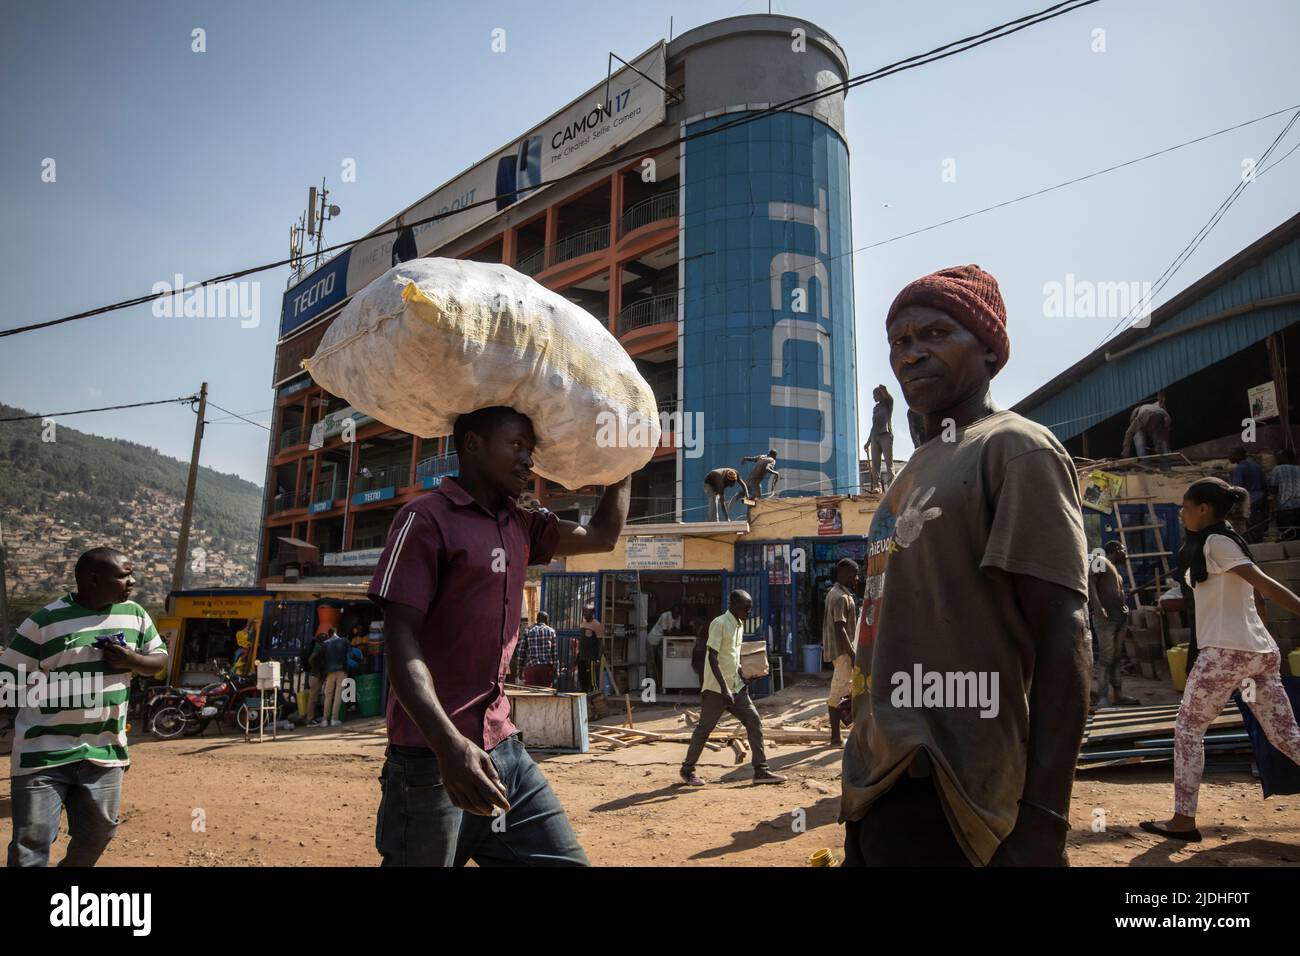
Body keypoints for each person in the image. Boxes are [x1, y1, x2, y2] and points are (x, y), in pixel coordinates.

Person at [842, 264, 1090, 867]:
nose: (912, 354)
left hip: (957, 791)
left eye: (935, 335)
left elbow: (1067, 632)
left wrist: (1044, 824)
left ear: (988, 349)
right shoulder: (915, 466)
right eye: (900, 341)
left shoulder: (1015, 448)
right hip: (878, 780)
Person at [367, 405, 630, 866]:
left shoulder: (521, 525)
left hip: (503, 749)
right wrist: (449, 746)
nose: (528, 460)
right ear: (472, 445)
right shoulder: (425, 519)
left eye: (530, 449)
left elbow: (603, 535)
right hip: (432, 760)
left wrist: (626, 460)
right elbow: (401, 639)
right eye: (515, 446)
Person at [1140, 478, 1300, 841]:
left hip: (1226, 653)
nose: (1180, 512)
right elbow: (1251, 599)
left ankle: (1183, 820)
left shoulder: (1215, 542)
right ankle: (1182, 818)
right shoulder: (1223, 542)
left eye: (1184, 505)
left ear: (1203, 509)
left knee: (1188, 730)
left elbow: (1264, 585)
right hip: (1259, 652)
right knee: (1286, 736)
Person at [2, 547, 169, 867]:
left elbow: (159, 662)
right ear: (93, 578)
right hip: (44, 752)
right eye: (124, 575)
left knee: (99, 832)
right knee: (31, 844)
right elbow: (6, 680)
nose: (132, 581)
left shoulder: (135, 614)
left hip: (104, 752)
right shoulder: (44, 622)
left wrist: (132, 659)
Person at [679, 590, 786, 786]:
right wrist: (724, 689)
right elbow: (712, 657)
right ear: (734, 605)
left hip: (735, 688)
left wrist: (744, 675)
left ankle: (761, 771)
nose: (749, 611)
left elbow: (732, 656)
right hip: (716, 690)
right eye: (746, 608)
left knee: (754, 721)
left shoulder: (739, 624)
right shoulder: (719, 623)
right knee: (704, 729)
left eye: (750, 608)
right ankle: (687, 770)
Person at [1089, 541, 1138, 708]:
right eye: (1124, 550)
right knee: (1106, 658)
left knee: (1116, 658)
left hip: (1119, 617)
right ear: (1117, 549)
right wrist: (1097, 606)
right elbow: (1091, 583)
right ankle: (1103, 697)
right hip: (1106, 619)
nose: (1126, 554)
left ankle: (1119, 694)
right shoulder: (1100, 560)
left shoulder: (1115, 570)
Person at [823, 559, 858, 747]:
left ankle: (851, 730)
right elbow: (840, 628)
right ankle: (835, 738)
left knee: (852, 690)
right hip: (844, 652)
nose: (857, 577)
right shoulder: (840, 597)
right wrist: (852, 655)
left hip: (842, 651)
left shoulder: (835, 593)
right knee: (837, 694)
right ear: (844, 573)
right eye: (855, 573)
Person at [313, 627, 351, 727]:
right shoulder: (344, 641)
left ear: (329, 634)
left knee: (328, 696)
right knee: (338, 696)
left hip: (329, 672)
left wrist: (323, 670)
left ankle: (325, 720)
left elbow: (318, 658)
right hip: (342, 671)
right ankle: (334, 719)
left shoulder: (325, 644)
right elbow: (350, 654)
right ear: (336, 633)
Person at [1229, 447, 1268, 543]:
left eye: (1231, 454)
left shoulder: (1239, 469)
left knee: (1251, 530)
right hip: (1261, 500)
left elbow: (1236, 489)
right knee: (1259, 528)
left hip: (1249, 502)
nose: (1229, 457)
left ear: (1238, 456)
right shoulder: (1256, 466)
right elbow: (1265, 484)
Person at [1120, 395, 1172, 460]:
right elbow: (1129, 432)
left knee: (1160, 443)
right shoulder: (1143, 416)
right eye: (1151, 426)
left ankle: (1165, 465)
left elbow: (1165, 436)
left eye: (1155, 426)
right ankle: (1146, 464)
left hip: (1152, 416)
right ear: (1148, 420)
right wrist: (1126, 448)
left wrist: (1161, 446)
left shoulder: (1167, 420)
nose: (1152, 428)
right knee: (1140, 444)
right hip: (1137, 414)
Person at [865, 386, 896, 493]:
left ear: (879, 394)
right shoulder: (875, 408)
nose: (873, 397)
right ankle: (877, 487)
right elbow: (873, 426)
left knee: (889, 462)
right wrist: (868, 442)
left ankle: (892, 484)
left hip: (885, 435)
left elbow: (889, 398)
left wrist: (884, 390)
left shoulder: (888, 404)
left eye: (874, 395)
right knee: (875, 464)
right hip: (875, 437)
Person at [647, 603, 681, 693]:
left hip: (662, 642)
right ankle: (652, 687)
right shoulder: (665, 616)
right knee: (651, 664)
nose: (676, 615)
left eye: (678, 613)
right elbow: (666, 633)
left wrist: (674, 633)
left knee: (663, 663)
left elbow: (677, 631)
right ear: (671, 611)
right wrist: (673, 632)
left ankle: (662, 686)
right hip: (652, 640)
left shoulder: (678, 617)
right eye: (675, 613)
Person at [1269, 446, 1300, 537]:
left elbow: (1273, 488)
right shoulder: (1299, 468)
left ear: (1283, 458)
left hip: (1286, 508)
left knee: (1286, 535)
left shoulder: (1278, 469)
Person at [522, 612, 558, 688]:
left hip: (531, 667)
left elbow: (521, 652)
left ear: (537, 620)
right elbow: (554, 653)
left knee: (530, 694)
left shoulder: (528, 631)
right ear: (546, 620)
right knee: (545, 695)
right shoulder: (551, 631)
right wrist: (556, 671)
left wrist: (519, 671)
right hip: (546, 669)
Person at [577, 607, 604, 694]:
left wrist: (598, 659)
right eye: (583, 611)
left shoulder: (596, 625)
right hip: (582, 657)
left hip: (591, 657)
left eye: (586, 612)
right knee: (582, 680)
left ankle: (595, 700)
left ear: (592, 612)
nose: (584, 613)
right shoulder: (582, 624)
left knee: (593, 682)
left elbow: (600, 643)